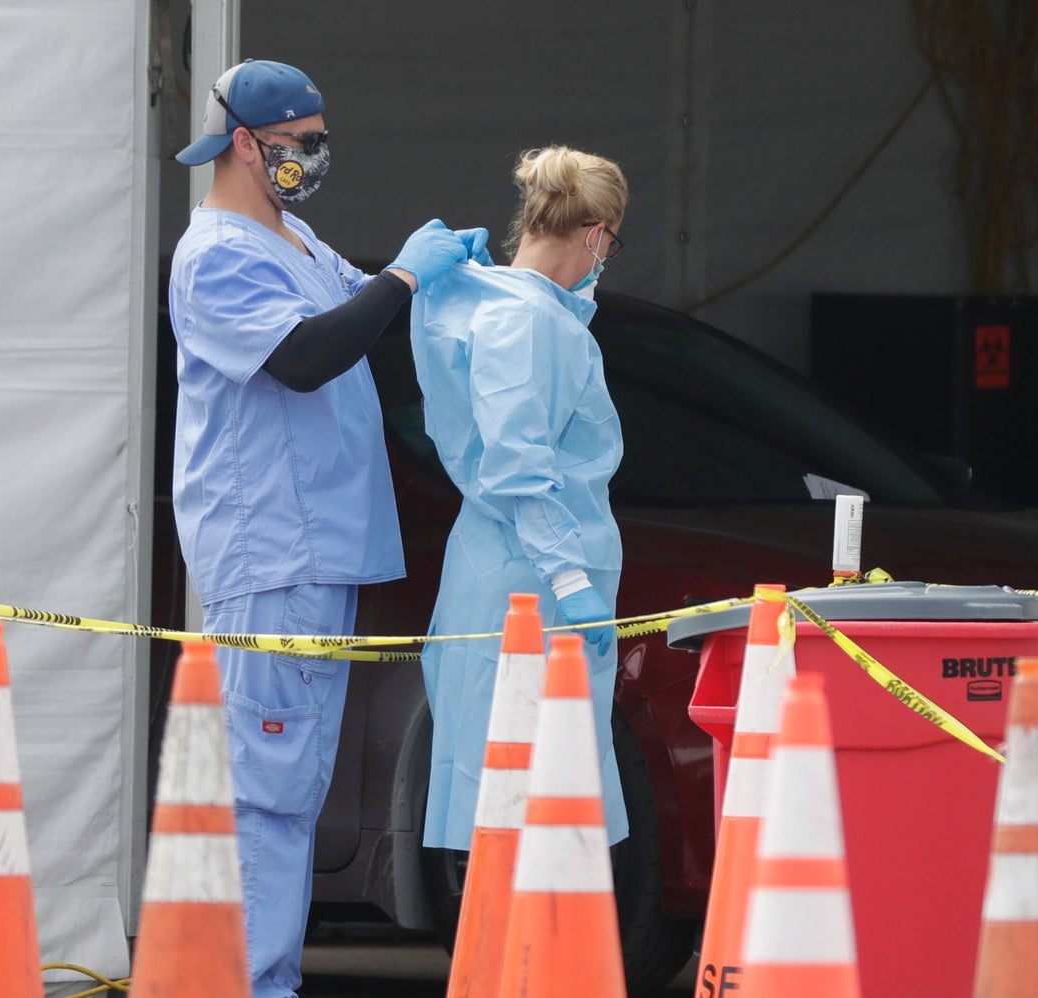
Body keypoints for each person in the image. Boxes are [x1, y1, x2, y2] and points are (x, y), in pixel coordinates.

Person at [166, 58, 485, 998]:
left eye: (318, 141)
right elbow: (306, 357)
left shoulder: (291, 235)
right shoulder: (217, 253)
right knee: (266, 789)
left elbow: (364, 316)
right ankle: (252, 984)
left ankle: (267, 976)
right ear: (242, 144)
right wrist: (399, 273)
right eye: (298, 145)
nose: (313, 158)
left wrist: (455, 280)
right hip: (269, 550)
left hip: (315, 549)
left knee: (293, 784)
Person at [410, 145, 631, 854]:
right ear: (597, 235)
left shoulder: (498, 309)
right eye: (613, 242)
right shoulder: (529, 322)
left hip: (512, 571)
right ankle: (525, 963)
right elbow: (516, 465)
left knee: (525, 793)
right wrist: (570, 577)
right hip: (532, 583)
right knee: (525, 799)